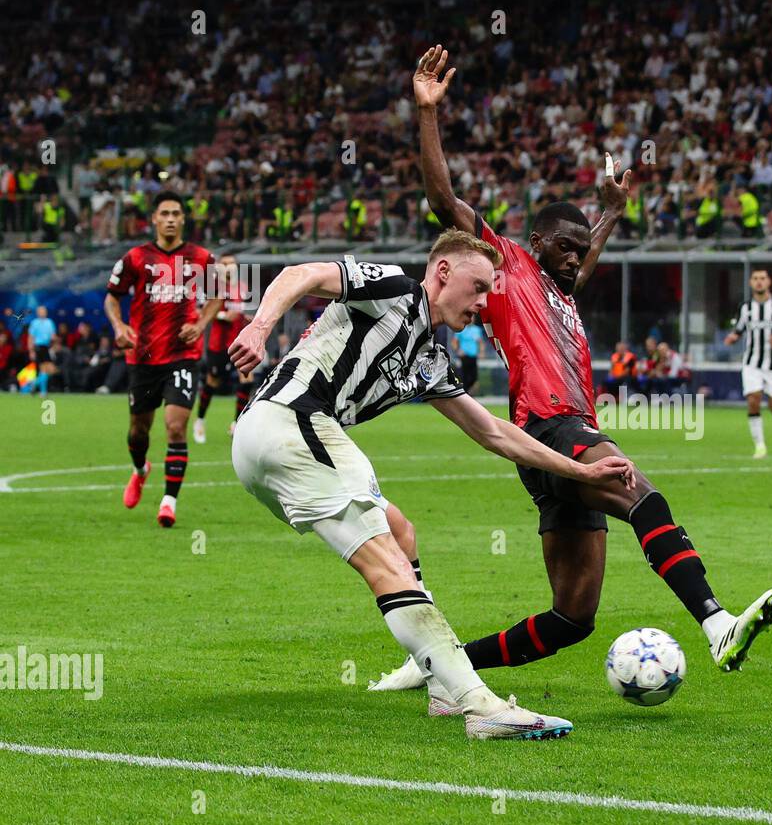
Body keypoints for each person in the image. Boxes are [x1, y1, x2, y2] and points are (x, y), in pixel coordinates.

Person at [372, 46, 772, 700]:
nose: (575, 259)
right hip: (550, 429)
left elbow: (584, 260)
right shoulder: (509, 268)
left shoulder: (563, 292)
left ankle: (440, 671)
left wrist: (613, 211)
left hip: (555, 445)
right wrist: (426, 115)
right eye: (565, 248)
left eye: (579, 250)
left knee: (573, 616)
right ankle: (716, 623)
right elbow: (444, 199)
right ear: (538, 246)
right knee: (639, 490)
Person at [228, 232, 634, 738]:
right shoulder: (395, 287)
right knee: (389, 565)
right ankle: (477, 704)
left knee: (400, 533)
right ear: (443, 272)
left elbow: (492, 431)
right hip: (293, 423)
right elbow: (300, 274)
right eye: (479, 286)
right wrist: (260, 327)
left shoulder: (427, 358)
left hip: (270, 438)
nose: (485, 303)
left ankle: (435, 676)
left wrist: (582, 471)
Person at [104, 191, 223, 526]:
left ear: (184, 219)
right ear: (154, 219)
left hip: (182, 356)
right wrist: (118, 325)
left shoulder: (201, 258)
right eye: (165, 213)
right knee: (138, 431)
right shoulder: (136, 257)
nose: (171, 219)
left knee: (175, 427)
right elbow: (112, 297)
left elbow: (217, 295)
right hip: (142, 357)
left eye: (176, 213)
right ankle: (141, 469)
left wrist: (200, 324)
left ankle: (169, 501)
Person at [723, 268, 772, 457]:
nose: (759, 282)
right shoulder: (745, 307)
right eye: (755, 279)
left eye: (762, 278)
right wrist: (732, 338)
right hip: (751, 363)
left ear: (769, 281)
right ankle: (760, 446)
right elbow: (738, 330)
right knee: (753, 399)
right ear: (750, 283)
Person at [194, 254, 255, 442]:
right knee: (213, 383)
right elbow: (199, 312)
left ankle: (237, 424)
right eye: (226, 264)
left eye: (233, 265)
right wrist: (221, 316)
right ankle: (200, 420)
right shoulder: (212, 287)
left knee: (247, 379)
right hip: (218, 344)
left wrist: (249, 319)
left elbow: (242, 312)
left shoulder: (242, 288)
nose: (230, 268)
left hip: (238, 342)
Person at [450, 318, 485, 395]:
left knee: (474, 377)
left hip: (473, 356)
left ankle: (467, 392)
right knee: (464, 376)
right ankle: (465, 394)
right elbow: (454, 342)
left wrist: (481, 352)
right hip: (464, 357)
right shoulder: (461, 329)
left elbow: (480, 342)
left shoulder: (477, 330)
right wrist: (458, 350)